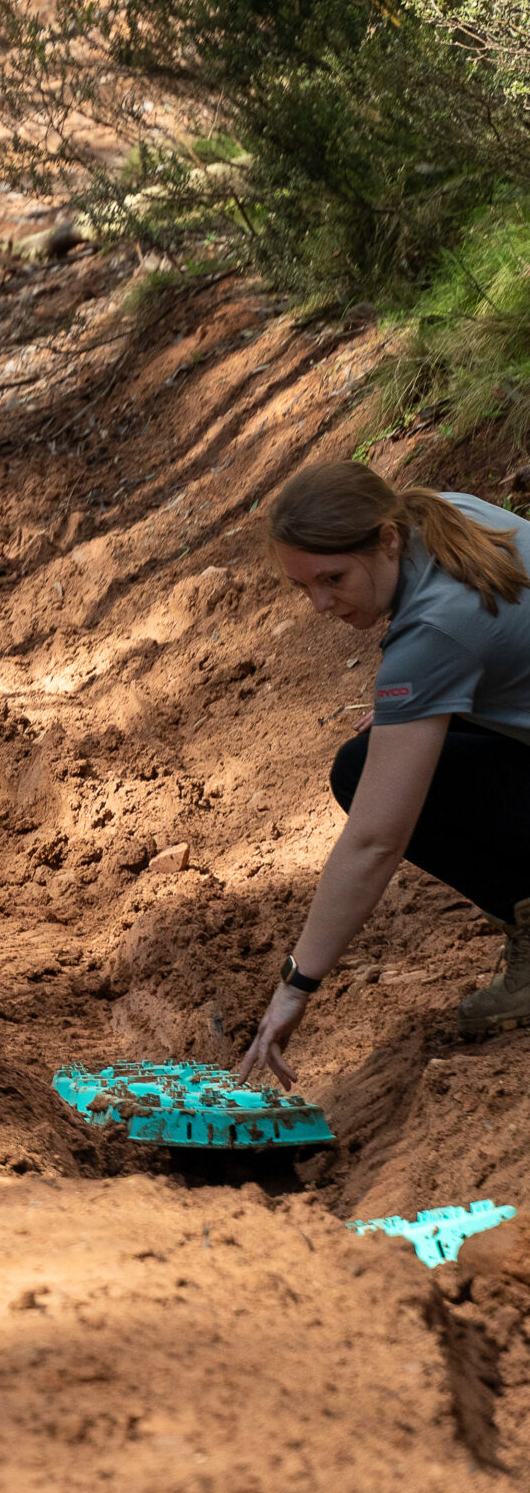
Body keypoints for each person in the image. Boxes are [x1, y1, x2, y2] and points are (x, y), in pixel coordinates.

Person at [235, 459, 530, 1087]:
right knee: (394, 745)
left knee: (358, 771)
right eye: (303, 586)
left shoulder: (435, 633)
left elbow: (374, 841)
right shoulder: (446, 514)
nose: (319, 604)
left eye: (333, 578)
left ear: (386, 539)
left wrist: (297, 984)